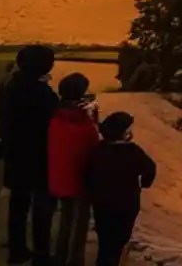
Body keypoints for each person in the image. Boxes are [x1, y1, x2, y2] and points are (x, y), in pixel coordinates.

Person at [0, 45, 60, 265]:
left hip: (14, 153)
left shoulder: (9, 86)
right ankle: (41, 254)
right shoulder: (43, 93)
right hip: (40, 156)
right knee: (42, 207)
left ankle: (17, 250)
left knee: (18, 205)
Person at [85, 112, 155, 266]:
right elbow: (150, 169)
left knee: (105, 237)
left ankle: (104, 260)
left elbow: (87, 173)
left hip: (102, 202)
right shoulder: (133, 152)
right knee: (119, 238)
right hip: (126, 203)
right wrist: (144, 183)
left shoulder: (98, 150)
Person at [48, 73, 100, 266]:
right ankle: (74, 260)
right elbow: (93, 144)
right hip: (79, 178)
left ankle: (60, 255)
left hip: (59, 177)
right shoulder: (81, 121)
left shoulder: (56, 117)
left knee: (66, 220)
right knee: (79, 224)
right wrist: (93, 118)